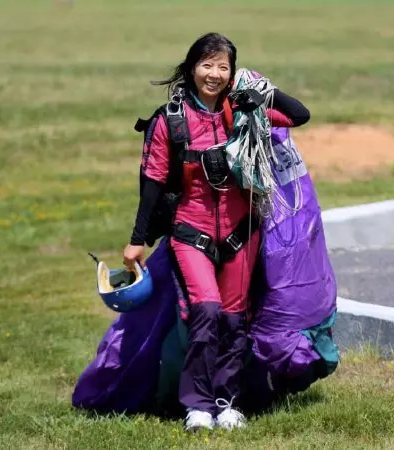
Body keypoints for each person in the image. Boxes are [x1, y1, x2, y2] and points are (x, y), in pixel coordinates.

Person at [122, 32, 310, 432]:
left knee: (233, 319)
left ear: (231, 72)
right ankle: (198, 405)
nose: (214, 74)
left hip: (242, 233)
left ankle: (228, 403)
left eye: (223, 66)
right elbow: (153, 180)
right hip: (191, 232)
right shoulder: (170, 119)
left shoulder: (245, 109)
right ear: (191, 68)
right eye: (207, 64)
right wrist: (137, 239)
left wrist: (261, 90)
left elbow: (299, 115)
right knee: (205, 310)